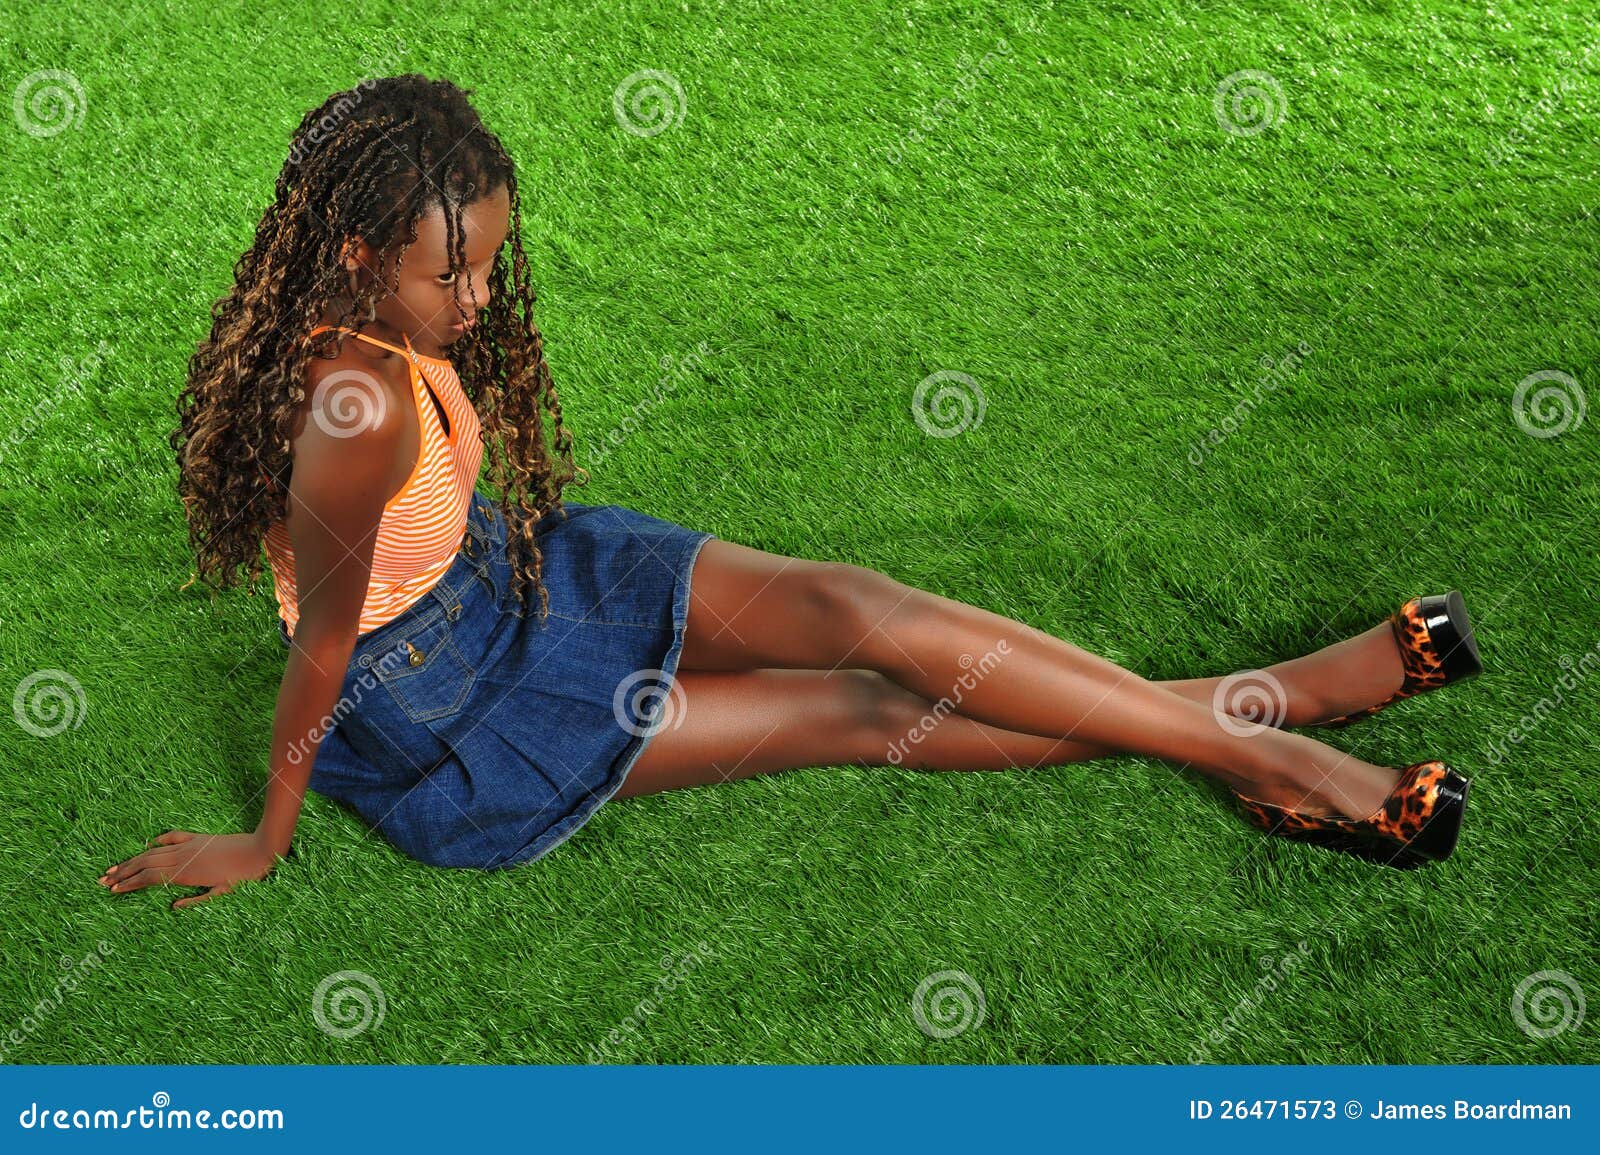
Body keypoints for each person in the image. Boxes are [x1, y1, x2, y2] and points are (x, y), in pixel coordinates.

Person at [99, 75, 1480, 909]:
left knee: (845, 602)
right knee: (854, 708)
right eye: (445, 273)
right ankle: (1275, 733)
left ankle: (1270, 724)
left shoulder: (395, 337)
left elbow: (436, 512)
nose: (476, 298)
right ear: (351, 252)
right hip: (447, 694)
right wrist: (262, 840)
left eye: (486, 264)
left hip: (511, 572)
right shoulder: (353, 408)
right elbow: (327, 652)